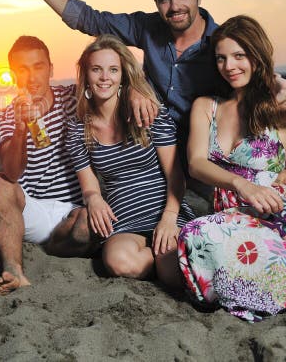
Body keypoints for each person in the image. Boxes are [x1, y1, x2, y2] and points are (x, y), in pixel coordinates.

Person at [12, 0, 286, 204]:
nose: (175, 6)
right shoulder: (149, 27)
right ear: (156, 3)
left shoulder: (222, 45)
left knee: (248, 210)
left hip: (206, 155)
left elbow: (268, 103)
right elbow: (90, 20)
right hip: (153, 151)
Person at [179, 15, 286, 321]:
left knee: (202, 233)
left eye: (239, 56)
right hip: (229, 220)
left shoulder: (278, 110)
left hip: (273, 218)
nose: (229, 66)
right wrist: (241, 184)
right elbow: (197, 164)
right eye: (221, 58)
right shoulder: (206, 106)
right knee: (194, 236)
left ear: (257, 56)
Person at [64, 35, 194, 289]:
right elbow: (89, 185)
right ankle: (161, 258)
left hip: (165, 211)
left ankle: (166, 260)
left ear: (123, 75)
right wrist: (94, 199)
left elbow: (175, 175)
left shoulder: (148, 113)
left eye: (113, 70)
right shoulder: (78, 130)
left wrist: (168, 218)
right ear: (86, 75)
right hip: (124, 218)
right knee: (119, 263)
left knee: (171, 273)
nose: (105, 78)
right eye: (96, 69)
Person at [0, 36, 93, 295]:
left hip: (72, 210)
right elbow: (12, 173)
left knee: (86, 227)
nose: (32, 77)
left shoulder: (72, 98)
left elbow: (107, 83)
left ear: (51, 68)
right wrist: (21, 130)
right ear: (13, 75)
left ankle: (53, 246)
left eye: (38, 67)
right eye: (22, 70)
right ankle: (14, 270)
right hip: (30, 211)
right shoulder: (5, 117)